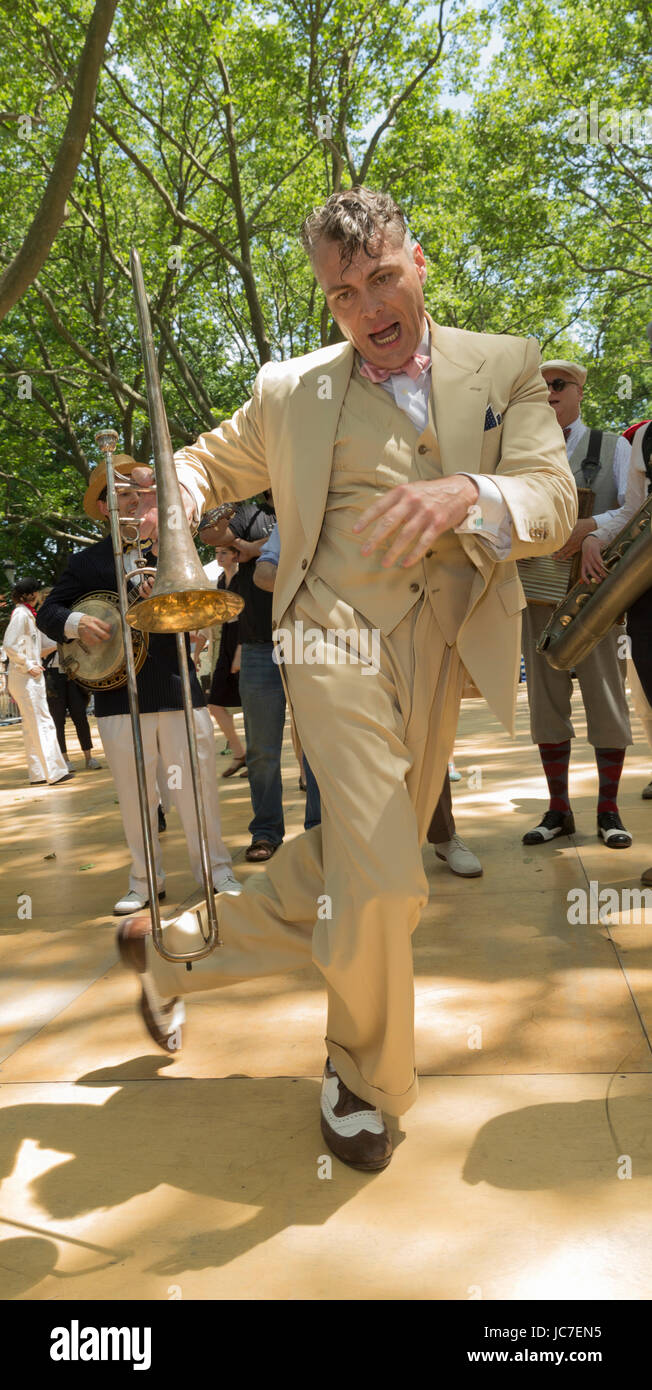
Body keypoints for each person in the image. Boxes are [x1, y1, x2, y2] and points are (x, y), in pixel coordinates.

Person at [118, 186, 576, 1172]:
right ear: (326, 302)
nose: (367, 307)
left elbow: (553, 496)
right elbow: (206, 461)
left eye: (380, 277)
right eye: (341, 294)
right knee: (377, 861)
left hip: (442, 646)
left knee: (367, 870)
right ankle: (364, 1078)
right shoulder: (292, 388)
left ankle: (175, 947)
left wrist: (471, 491)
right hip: (327, 634)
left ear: (417, 262)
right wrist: (175, 493)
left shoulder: (505, 363)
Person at [37, 457, 240, 914]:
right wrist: (75, 621)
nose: (131, 501)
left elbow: (199, 606)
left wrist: (167, 593)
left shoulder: (173, 550)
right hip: (116, 698)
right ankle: (144, 881)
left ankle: (217, 871)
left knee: (197, 789)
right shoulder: (86, 561)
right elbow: (49, 613)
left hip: (177, 687)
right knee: (135, 796)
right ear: (105, 507)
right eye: (121, 494)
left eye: (137, 493)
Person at [520, 360, 634, 849]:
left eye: (559, 385)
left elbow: (636, 509)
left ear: (580, 391)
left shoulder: (616, 447)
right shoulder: (519, 453)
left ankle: (608, 811)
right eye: (541, 387)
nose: (550, 393)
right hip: (538, 592)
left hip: (599, 594)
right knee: (546, 705)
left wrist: (591, 531)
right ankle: (559, 811)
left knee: (606, 700)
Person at [3, 577, 72, 786]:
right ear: (30, 594)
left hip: (27, 676)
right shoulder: (21, 615)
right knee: (42, 722)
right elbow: (9, 644)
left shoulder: (26, 615)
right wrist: (27, 664)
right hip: (25, 677)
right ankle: (55, 771)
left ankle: (39, 773)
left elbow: (29, 648)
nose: (40, 595)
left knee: (33, 725)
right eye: (37, 592)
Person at [200, 539, 247, 778]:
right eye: (217, 552)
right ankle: (240, 753)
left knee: (250, 704)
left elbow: (247, 616)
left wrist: (240, 649)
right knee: (215, 703)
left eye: (223, 552)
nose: (219, 556)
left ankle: (256, 758)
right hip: (224, 639)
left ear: (234, 555)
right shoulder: (220, 580)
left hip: (243, 638)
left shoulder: (243, 579)